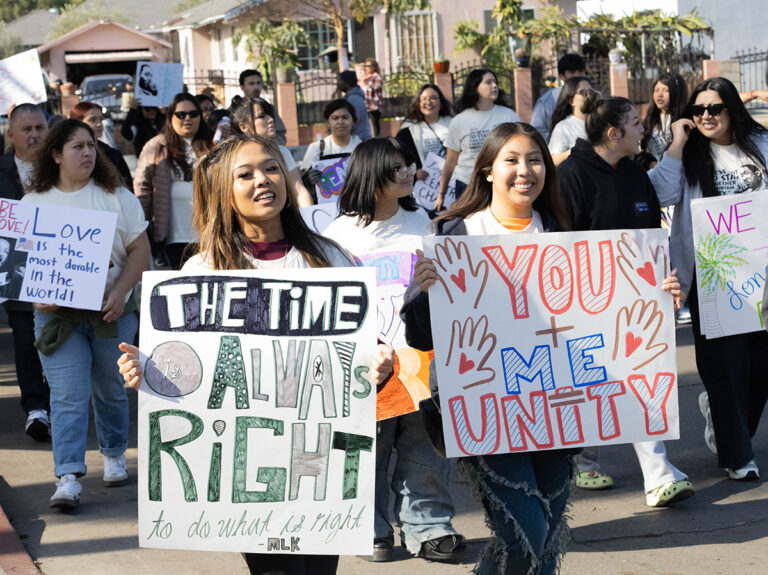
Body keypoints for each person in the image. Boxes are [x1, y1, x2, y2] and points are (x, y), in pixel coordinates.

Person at [118, 133, 352, 574]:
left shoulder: (331, 260)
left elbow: (359, 353)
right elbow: (185, 368)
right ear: (223, 191)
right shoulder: (202, 272)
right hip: (245, 469)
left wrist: (374, 364)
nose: (263, 180)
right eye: (245, 174)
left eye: (270, 167)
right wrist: (145, 371)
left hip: (316, 462)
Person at [402, 122, 575, 574]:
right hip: (486, 409)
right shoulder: (454, 236)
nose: (525, 170)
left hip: (557, 407)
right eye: (512, 160)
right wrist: (423, 294)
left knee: (548, 538)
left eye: (534, 159)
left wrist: (654, 291)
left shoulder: (563, 236)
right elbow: (419, 336)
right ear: (486, 172)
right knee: (526, 530)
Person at [322, 138, 465, 563]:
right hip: (365, 363)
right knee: (368, 446)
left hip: (421, 358)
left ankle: (430, 528)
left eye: (409, 166)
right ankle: (369, 529)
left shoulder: (424, 222)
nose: (409, 174)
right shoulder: (335, 235)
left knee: (425, 448)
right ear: (373, 173)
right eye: (398, 168)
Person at [557, 95, 695, 506]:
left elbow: (654, 234)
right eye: (635, 123)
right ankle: (582, 460)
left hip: (639, 304)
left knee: (641, 380)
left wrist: (663, 278)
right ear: (613, 133)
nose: (642, 129)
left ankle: (658, 473)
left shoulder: (636, 173)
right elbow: (562, 247)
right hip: (588, 304)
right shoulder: (572, 175)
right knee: (590, 385)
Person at [24, 119, 150, 510]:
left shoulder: (116, 196)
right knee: (68, 395)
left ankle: (113, 453)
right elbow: (19, 264)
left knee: (111, 389)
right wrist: (37, 295)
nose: (88, 153)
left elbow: (140, 252)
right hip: (57, 319)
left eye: (92, 145)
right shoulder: (34, 204)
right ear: (56, 154)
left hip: (112, 313)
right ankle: (67, 475)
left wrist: (120, 290)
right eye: (77, 146)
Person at [651, 76, 768, 481]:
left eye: (714, 108)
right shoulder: (690, 157)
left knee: (760, 369)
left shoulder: (762, 146)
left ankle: (726, 426)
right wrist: (677, 143)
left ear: (732, 109)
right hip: (711, 278)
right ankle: (738, 456)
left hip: (761, 276)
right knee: (725, 369)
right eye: (698, 110)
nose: (705, 116)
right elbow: (659, 194)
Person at [0, 103, 50, 441]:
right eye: (27, 129)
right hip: (15, 269)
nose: (34, 135)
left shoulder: (61, 165)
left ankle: (65, 402)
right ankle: (36, 408)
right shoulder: (1, 169)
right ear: (11, 134)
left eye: (39, 129)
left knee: (61, 339)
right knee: (24, 339)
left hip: (60, 267)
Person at [134, 92, 213, 269]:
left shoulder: (213, 145)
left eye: (193, 114)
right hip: (173, 235)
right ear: (171, 117)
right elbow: (142, 190)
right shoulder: (155, 146)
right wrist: (141, 226)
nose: (187, 118)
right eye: (181, 114)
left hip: (211, 234)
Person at [436, 68, 519, 211]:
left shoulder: (508, 116)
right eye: (488, 82)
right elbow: (450, 161)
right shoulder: (459, 121)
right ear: (475, 88)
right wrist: (441, 194)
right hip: (467, 185)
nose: (494, 86)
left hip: (500, 183)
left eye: (495, 82)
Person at [231, 96, 313, 206]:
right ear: (243, 126)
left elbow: (298, 190)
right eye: (261, 116)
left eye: (272, 168)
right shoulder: (233, 157)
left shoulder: (281, 152)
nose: (270, 120)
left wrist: (309, 218)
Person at [69, 101, 133, 189]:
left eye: (100, 119)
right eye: (93, 120)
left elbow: (127, 188)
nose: (99, 124)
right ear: (78, 122)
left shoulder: (113, 155)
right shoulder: (68, 154)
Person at [396, 84, 452, 177]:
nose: (428, 102)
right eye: (424, 99)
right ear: (418, 103)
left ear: (441, 102)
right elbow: (399, 159)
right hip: (426, 185)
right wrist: (413, 173)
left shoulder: (453, 124)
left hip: (453, 180)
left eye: (433, 98)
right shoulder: (408, 130)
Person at [531, 53, 587, 142]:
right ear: (562, 76)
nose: (577, 75)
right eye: (572, 72)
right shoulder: (547, 101)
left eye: (580, 71)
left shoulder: (594, 96)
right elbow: (537, 131)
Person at [301, 99, 362, 172]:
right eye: (335, 118)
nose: (340, 122)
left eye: (345, 117)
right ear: (328, 122)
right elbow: (304, 174)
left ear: (353, 121)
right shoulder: (316, 148)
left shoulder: (362, 148)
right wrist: (309, 178)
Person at [547, 76, 594, 164]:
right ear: (571, 100)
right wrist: (575, 150)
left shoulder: (604, 121)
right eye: (582, 92)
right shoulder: (563, 127)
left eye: (590, 92)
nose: (588, 96)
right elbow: (553, 159)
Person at [338, 70, 372, 141]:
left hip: (359, 140)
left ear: (347, 83)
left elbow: (354, 120)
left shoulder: (353, 99)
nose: (338, 83)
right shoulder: (353, 97)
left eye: (340, 80)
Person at [363, 58, 383, 137]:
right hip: (367, 105)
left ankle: (377, 140)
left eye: (368, 66)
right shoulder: (366, 77)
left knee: (375, 125)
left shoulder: (376, 77)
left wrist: (366, 82)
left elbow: (376, 87)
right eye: (365, 66)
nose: (366, 68)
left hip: (374, 106)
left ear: (373, 67)